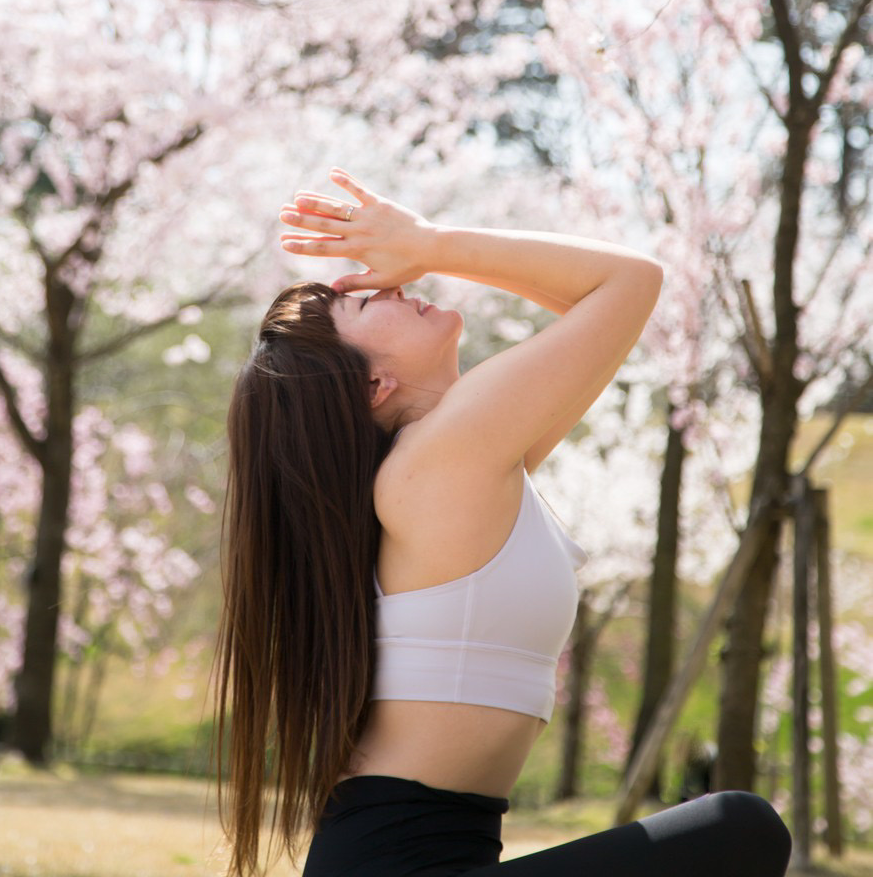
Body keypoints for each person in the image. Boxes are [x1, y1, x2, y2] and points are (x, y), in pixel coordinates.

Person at [212, 169, 793, 877]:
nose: (389, 285)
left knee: (736, 830)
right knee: (738, 828)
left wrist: (430, 248)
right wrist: (431, 243)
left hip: (419, 856)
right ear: (372, 384)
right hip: (405, 864)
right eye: (363, 304)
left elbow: (603, 312)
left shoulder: (454, 468)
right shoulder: (440, 461)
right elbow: (629, 282)